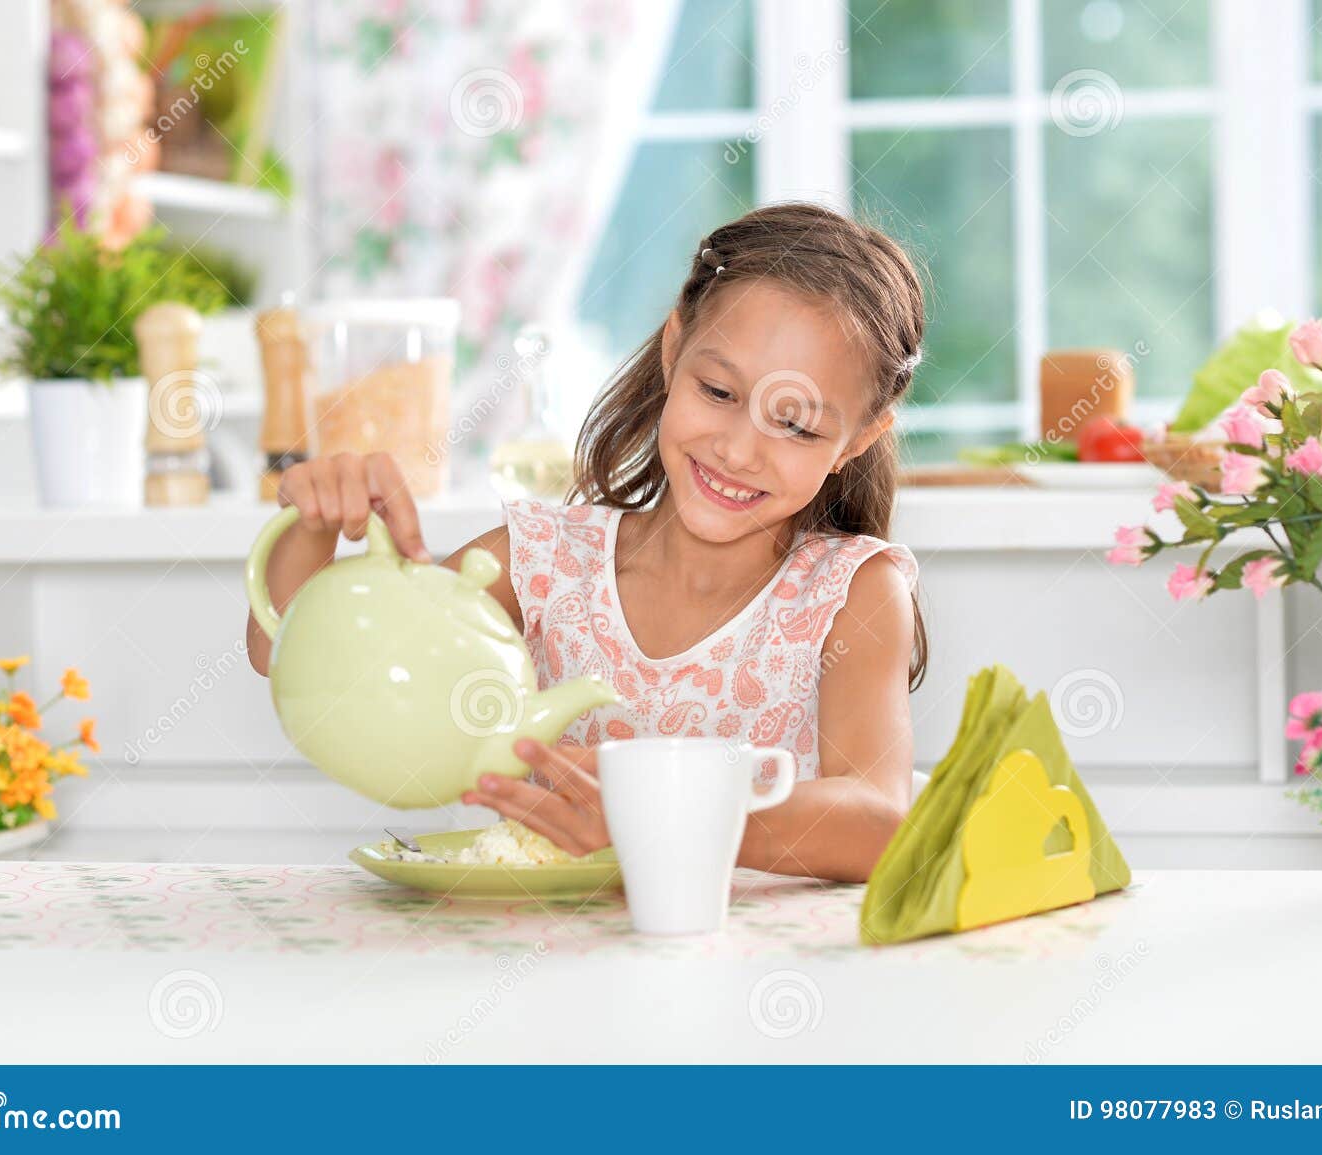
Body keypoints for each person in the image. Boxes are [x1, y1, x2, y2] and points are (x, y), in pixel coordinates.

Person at [248, 201, 927, 883]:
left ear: (858, 440)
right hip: (532, 960)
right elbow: (297, 656)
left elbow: (876, 820)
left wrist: (663, 817)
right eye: (718, 391)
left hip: (743, 968)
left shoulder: (852, 594)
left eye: (798, 428)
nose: (739, 448)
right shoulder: (544, 565)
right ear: (673, 350)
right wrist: (315, 523)